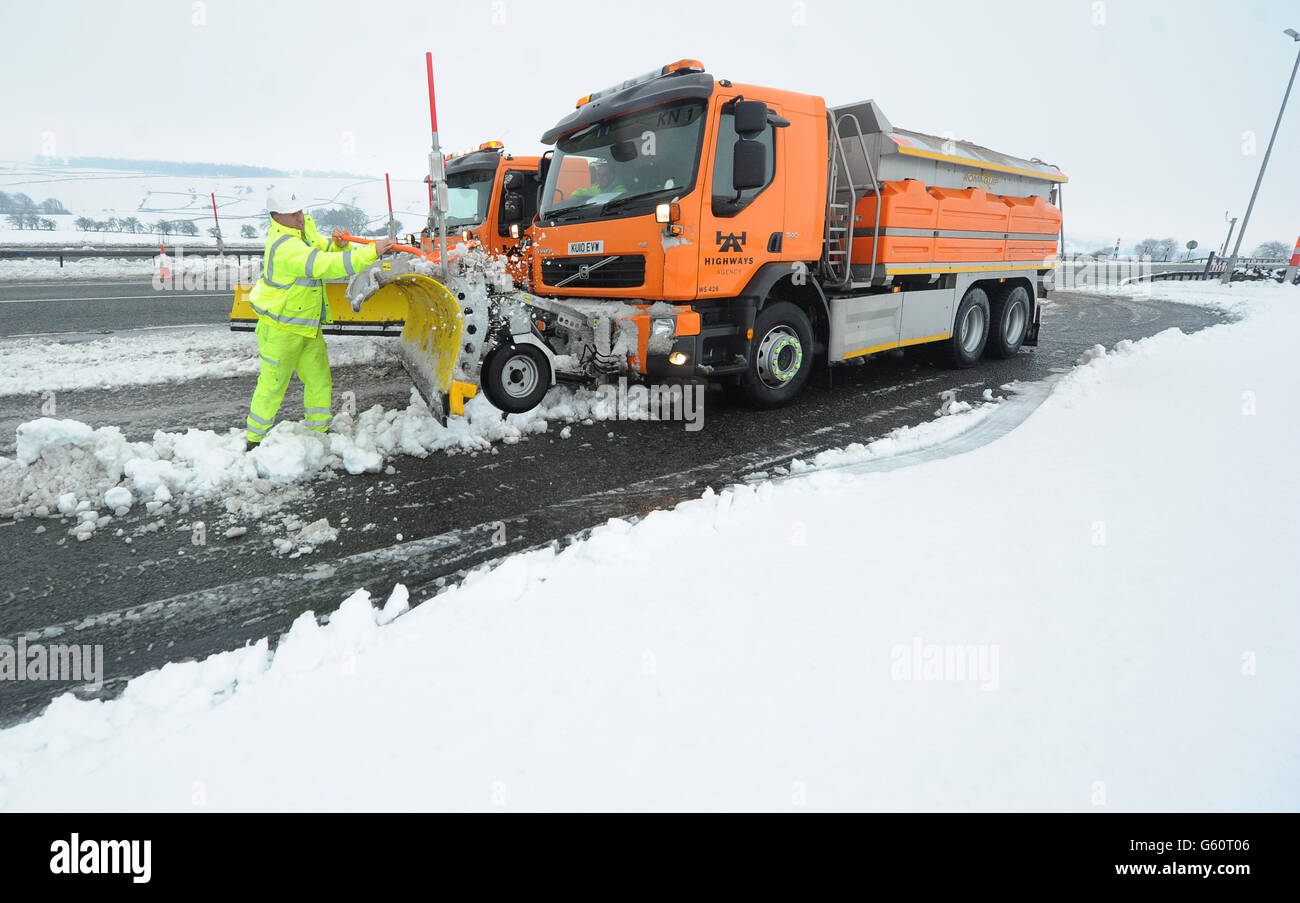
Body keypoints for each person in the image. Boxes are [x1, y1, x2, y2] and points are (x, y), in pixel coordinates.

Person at [244, 185, 394, 450]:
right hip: (280, 329)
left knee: (319, 380)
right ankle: (254, 440)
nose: (300, 217)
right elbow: (325, 265)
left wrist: (338, 244)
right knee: (272, 386)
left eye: (301, 210)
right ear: (276, 216)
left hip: (307, 326)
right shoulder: (284, 247)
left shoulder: (303, 229)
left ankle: (319, 430)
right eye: (293, 214)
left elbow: (324, 249)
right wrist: (372, 252)